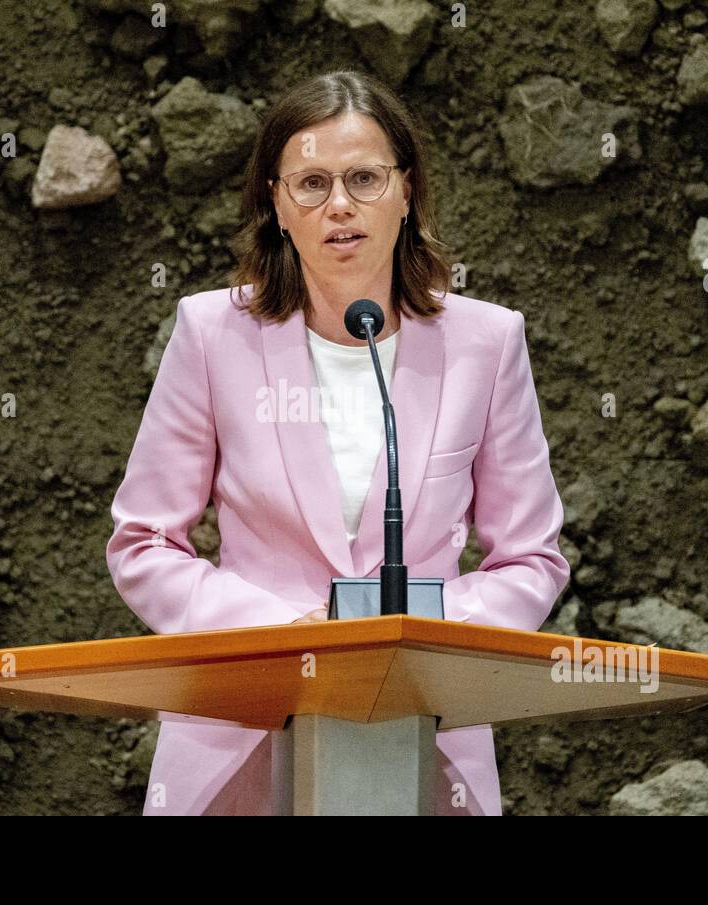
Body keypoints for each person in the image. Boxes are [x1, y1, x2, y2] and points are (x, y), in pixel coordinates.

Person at [106, 69, 570, 815]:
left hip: (426, 737)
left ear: (407, 191)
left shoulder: (487, 341)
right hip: (241, 740)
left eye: (364, 178)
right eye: (313, 183)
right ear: (276, 203)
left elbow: (531, 557)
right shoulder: (210, 333)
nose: (341, 205)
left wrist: (420, 638)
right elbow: (144, 540)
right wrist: (280, 633)